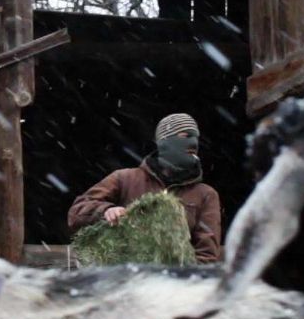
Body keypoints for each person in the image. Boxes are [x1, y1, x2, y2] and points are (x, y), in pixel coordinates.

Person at [67, 113, 222, 263]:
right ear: (164, 142)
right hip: (127, 277)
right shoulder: (125, 179)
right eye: (185, 136)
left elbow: (206, 256)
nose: (193, 143)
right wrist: (106, 210)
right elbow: (77, 212)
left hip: (174, 283)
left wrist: (178, 277)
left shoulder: (205, 195)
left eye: (196, 138)